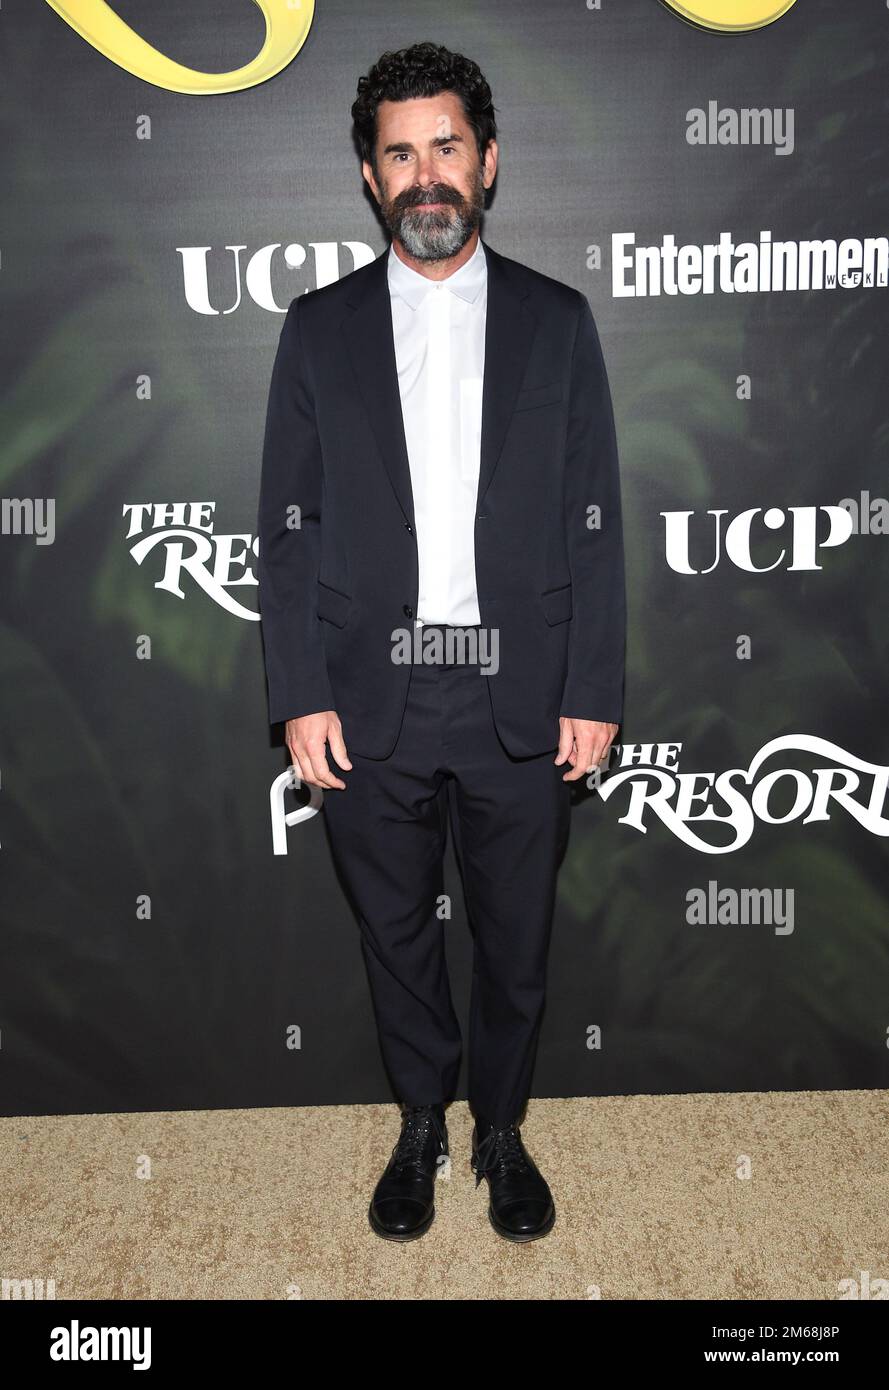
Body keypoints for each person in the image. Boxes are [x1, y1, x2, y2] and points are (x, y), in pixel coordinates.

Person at [257, 41, 626, 1243]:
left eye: (447, 148)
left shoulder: (556, 322)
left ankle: (502, 1129)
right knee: (396, 933)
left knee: (515, 941)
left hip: (521, 689)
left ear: (489, 161)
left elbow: (595, 518)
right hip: (373, 695)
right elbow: (289, 523)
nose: (427, 176)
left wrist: (592, 682)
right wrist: (298, 691)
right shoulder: (316, 332)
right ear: (370, 177)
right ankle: (422, 1121)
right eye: (400, 153)